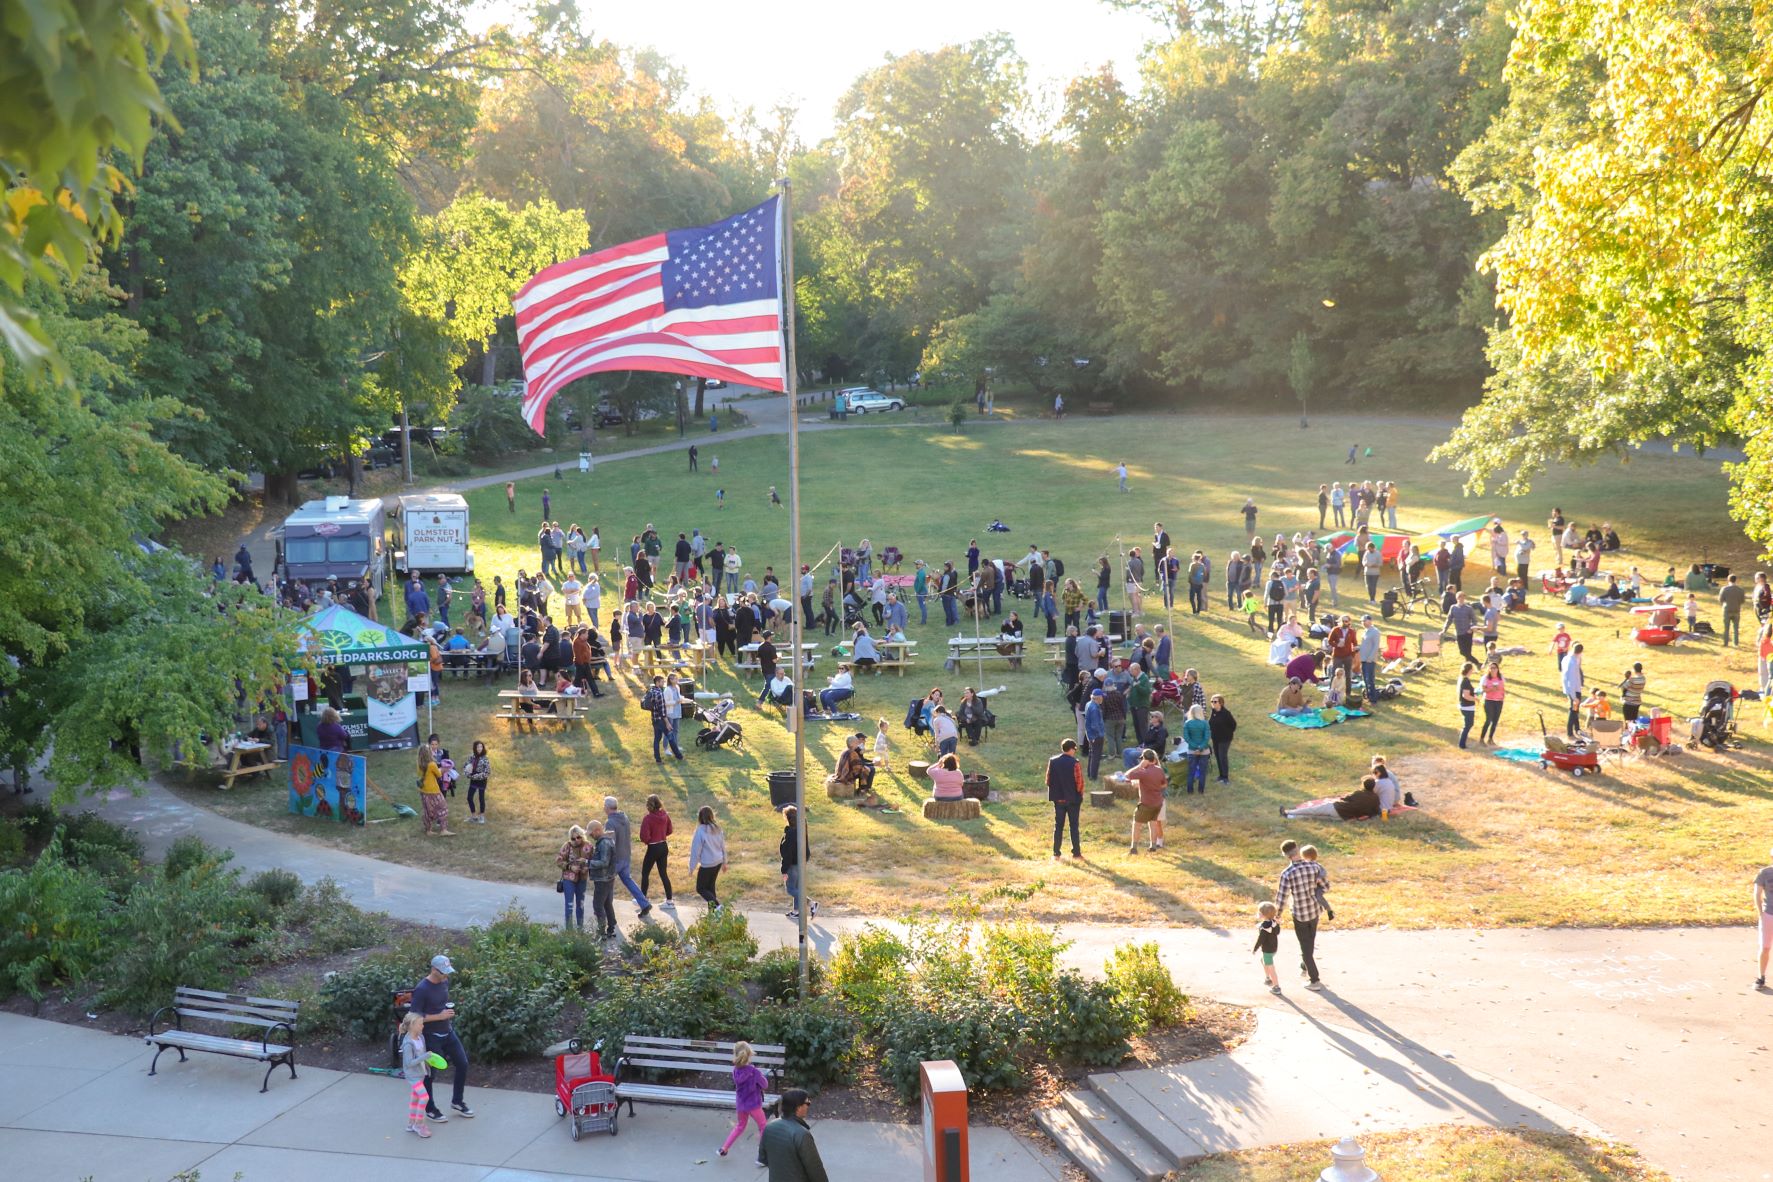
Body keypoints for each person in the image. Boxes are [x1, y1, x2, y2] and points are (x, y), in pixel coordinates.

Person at [413, 953, 474, 1119]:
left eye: (447, 971)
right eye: (442, 972)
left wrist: (446, 1013)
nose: (445, 975)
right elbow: (414, 1017)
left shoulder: (444, 981)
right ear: (433, 969)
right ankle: (430, 1108)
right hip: (431, 1036)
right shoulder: (422, 989)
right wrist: (439, 1016)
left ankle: (457, 1101)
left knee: (463, 1063)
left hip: (448, 1031)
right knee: (431, 1074)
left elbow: (440, 1003)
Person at [1274, 842, 1327, 990]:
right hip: (1315, 910)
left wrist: (1277, 915)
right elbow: (1325, 886)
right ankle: (1305, 965)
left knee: (1305, 946)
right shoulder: (1315, 867)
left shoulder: (1287, 874)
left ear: (1285, 855)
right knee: (1310, 941)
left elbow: (1282, 897)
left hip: (1300, 914)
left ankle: (1314, 980)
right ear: (1298, 850)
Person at [758, 1088, 829, 1181]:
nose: (808, 1106)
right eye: (807, 1103)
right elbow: (815, 1169)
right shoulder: (802, 1134)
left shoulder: (769, 1127)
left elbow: (763, 1158)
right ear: (798, 1108)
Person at [720, 1041, 771, 1157]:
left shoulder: (735, 1071)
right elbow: (765, 1085)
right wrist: (762, 1077)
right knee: (763, 1126)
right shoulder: (754, 1071)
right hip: (754, 1105)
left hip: (741, 1105)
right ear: (749, 1055)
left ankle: (724, 1148)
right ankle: (762, 1154)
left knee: (740, 1126)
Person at [604, 796, 650, 919]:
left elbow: (610, 843)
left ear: (607, 808)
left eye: (604, 806)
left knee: (608, 883)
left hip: (616, 859)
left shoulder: (610, 822)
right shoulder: (624, 817)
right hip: (626, 855)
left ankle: (608, 912)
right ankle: (644, 904)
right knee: (628, 880)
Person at [1047, 738, 1085, 860]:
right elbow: (1079, 782)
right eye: (1075, 749)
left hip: (1058, 799)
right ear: (1071, 749)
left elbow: (1048, 780)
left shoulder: (1052, 761)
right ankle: (1076, 853)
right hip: (1073, 799)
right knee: (1074, 826)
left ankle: (1056, 853)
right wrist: (1078, 794)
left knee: (1058, 826)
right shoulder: (1075, 763)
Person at [1125, 748, 1166, 853]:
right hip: (1158, 803)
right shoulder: (1159, 770)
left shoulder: (1143, 772)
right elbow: (1164, 784)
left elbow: (1127, 775)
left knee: (1137, 824)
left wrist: (1139, 766)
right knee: (1152, 823)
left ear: (1145, 759)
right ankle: (1153, 846)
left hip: (1146, 803)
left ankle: (1133, 847)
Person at [399, 1010, 432, 1138]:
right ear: (412, 1026)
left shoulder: (420, 1037)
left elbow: (421, 1055)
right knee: (424, 1097)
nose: (423, 1026)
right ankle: (418, 1124)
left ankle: (411, 1123)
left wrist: (428, 1060)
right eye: (420, 1024)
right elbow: (409, 1063)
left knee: (416, 1098)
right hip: (413, 1075)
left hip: (420, 1073)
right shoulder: (408, 1043)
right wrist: (424, 1057)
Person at [779, 805, 816, 919]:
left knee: (790, 889)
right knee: (797, 888)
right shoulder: (801, 828)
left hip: (793, 864)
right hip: (801, 861)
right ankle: (796, 911)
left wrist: (784, 870)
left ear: (788, 819)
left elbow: (788, 854)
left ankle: (811, 904)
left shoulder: (790, 834)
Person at [639, 795, 675, 909]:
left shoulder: (648, 818)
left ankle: (643, 899)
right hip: (664, 846)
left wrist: (649, 840)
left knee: (645, 873)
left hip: (653, 847)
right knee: (663, 873)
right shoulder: (665, 815)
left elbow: (644, 836)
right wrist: (661, 835)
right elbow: (670, 830)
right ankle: (669, 901)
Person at [689, 806, 726, 912]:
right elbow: (723, 846)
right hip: (718, 861)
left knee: (700, 888)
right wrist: (724, 862)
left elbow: (695, 851)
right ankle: (713, 913)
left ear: (700, 817)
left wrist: (691, 867)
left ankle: (718, 907)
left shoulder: (700, 831)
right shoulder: (718, 828)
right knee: (710, 887)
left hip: (707, 864)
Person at [557, 825, 592, 929]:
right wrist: (570, 867)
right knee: (569, 905)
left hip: (582, 879)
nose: (576, 840)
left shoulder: (588, 846)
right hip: (569, 879)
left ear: (582, 836)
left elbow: (593, 861)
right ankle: (569, 931)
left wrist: (587, 867)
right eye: (573, 838)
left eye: (578, 837)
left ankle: (580, 929)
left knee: (580, 905)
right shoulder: (566, 846)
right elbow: (559, 861)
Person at [418, 745, 452, 836]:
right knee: (443, 807)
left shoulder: (419, 765)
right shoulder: (432, 764)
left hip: (423, 791)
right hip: (433, 790)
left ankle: (428, 830)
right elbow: (438, 775)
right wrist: (443, 769)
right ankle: (443, 830)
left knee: (428, 810)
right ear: (428, 753)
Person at [1253, 902, 1282, 995]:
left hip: (1267, 950)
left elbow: (1260, 940)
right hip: (1274, 948)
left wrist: (1255, 948)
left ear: (1262, 915)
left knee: (1271, 968)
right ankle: (1268, 978)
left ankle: (1276, 986)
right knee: (1263, 960)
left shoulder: (1264, 928)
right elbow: (1277, 932)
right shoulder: (1274, 923)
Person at [1755, 849, 1773, 988]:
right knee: (1765, 947)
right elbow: (1757, 894)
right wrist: (1761, 913)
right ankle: (1761, 977)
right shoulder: (1764, 873)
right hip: (1769, 914)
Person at [1182, 704, 1211, 794]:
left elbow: (1186, 738)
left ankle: (1190, 791)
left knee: (1191, 771)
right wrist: (1200, 747)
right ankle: (1200, 791)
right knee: (1202, 772)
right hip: (1204, 750)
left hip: (1192, 750)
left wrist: (1195, 747)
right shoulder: (1205, 723)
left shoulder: (1187, 723)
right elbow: (1207, 738)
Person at [1561, 642, 1586, 737]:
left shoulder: (1568, 658)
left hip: (1574, 688)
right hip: (1573, 690)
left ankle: (1577, 728)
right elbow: (1570, 680)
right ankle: (1570, 732)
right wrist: (1574, 696)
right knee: (1573, 710)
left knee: (1576, 709)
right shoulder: (1572, 663)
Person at [1479, 661, 1506, 744]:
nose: (1493, 669)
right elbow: (1483, 690)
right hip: (1489, 701)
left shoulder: (1501, 677)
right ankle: (1481, 738)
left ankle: (1490, 739)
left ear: (1498, 669)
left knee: (1495, 720)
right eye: (1491, 668)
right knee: (1488, 720)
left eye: (1495, 668)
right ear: (1489, 669)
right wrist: (1491, 689)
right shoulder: (1485, 678)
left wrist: (1503, 694)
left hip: (1499, 701)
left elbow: (1503, 687)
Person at [463, 741, 490, 824]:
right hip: (473, 781)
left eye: (481, 747)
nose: (479, 748)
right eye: (478, 747)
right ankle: (474, 816)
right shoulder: (472, 757)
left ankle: (482, 816)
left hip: (482, 781)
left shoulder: (485, 759)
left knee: (481, 798)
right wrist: (467, 773)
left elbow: (487, 772)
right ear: (475, 748)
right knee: (469, 797)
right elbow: (466, 766)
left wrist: (476, 776)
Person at [1083, 689, 1107, 780]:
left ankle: (1090, 774)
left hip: (1090, 735)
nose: (1103, 699)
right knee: (1096, 757)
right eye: (1102, 697)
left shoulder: (1088, 704)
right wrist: (1100, 734)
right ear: (1098, 698)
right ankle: (1093, 776)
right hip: (1096, 736)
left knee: (1091, 755)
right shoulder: (1094, 708)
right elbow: (1095, 725)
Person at [1720, 574, 1747, 646]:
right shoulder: (1740, 590)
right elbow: (1742, 601)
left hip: (1727, 609)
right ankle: (1736, 643)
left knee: (1726, 628)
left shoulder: (1724, 589)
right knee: (1736, 628)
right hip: (1736, 610)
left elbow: (1721, 599)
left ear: (1728, 580)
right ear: (1736, 580)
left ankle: (1725, 643)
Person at [1456, 661, 1478, 748]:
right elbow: (1465, 695)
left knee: (1468, 724)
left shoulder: (1463, 679)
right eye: (1472, 669)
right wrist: (1475, 699)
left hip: (1466, 706)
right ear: (1469, 670)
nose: (1473, 671)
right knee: (1468, 725)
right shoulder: (1465, 681)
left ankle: (1462, 743)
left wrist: (1474, 694)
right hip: (1467, 706)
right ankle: (1462, 744)